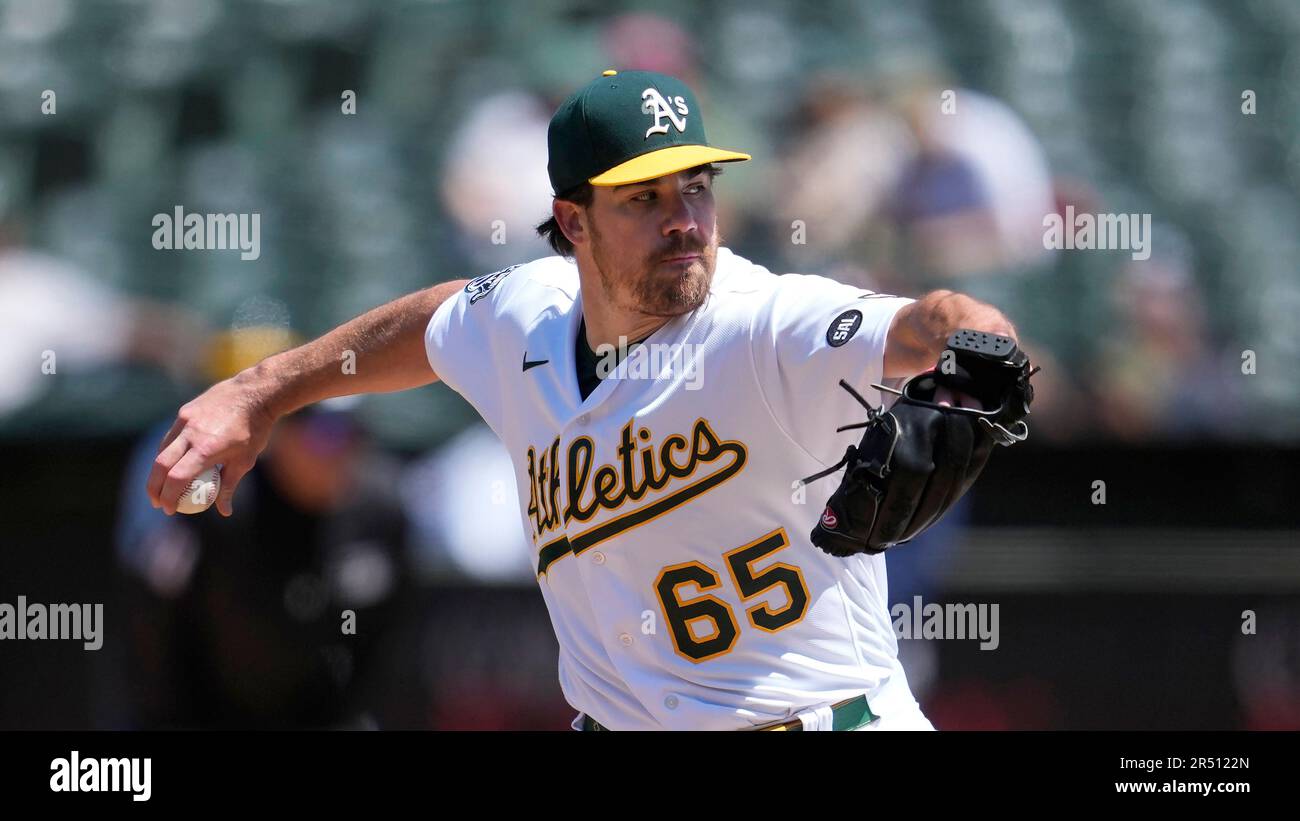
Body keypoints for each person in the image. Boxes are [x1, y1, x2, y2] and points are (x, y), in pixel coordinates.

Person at [146, 70, 1019, 731]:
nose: (684, 219)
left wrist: (973, 375)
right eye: (645, 197)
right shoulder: (522, 317)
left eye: (698, 187)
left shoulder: (767, 326)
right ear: (573, 221)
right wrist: (260, 392)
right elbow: (428, 322)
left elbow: (944, 320)